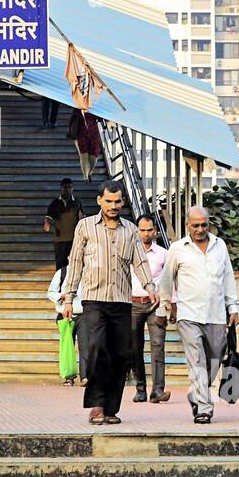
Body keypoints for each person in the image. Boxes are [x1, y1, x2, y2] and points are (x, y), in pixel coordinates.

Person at [59, 181, 157, 424]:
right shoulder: (85, 227)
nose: (113, 206)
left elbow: (140, 262)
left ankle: (111, 408)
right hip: (94, 300)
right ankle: (96, 405)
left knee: (120, 354)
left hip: (121, 301)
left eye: (118, 202)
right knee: (97, 348)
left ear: (122, 202)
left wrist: (150, 287)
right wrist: (69, 297)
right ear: (99, 200)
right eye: (109, 201)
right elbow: (76, 262)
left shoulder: (131, 230)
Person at [156, 206, 239, 424]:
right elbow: (166, 280)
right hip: (188, 314)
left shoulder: (219, 246)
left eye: (204, 224)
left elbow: (228, 277)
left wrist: (233, 308)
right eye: (196, 225)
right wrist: (165, 307)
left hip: (216, 315)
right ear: (187, 226)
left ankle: (196, 394)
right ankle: (204, 408)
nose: (200, 229)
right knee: (197, 361)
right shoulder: (177, 249)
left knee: (213, 361)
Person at [131, 214, 171, 403]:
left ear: (155, 231)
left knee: (158, 345)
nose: (146, 234)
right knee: (134, 347)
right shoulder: (129, 251)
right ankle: (140, 388)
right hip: (132, 304)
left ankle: (157, 390)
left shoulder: (164, 253)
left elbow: (170, 280)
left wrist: (168, 303)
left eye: (149, 230)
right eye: (142, 230)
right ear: (137, 230)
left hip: (156, 304)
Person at [43, 178, 84, 284]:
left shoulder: (77, 202)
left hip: (74, 239)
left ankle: (73, 284)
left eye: (70, 187)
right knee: (60, 263)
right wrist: (47, 223)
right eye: (65, 188)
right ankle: (60, 284)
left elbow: (81, 217)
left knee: (74, 262)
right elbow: (49, 216)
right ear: (61, 189)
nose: (67, 190)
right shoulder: (55, 203)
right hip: (60, 239)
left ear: (72, 189)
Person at [66, 108, 103, 182]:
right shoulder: (77, 106)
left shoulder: (94, 106)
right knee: (84, 154)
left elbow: (100, 118)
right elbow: (73, 119)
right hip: (81, 131)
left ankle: (89, 173)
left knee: (94, 154)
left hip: (93, 131)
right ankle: (85, 177)